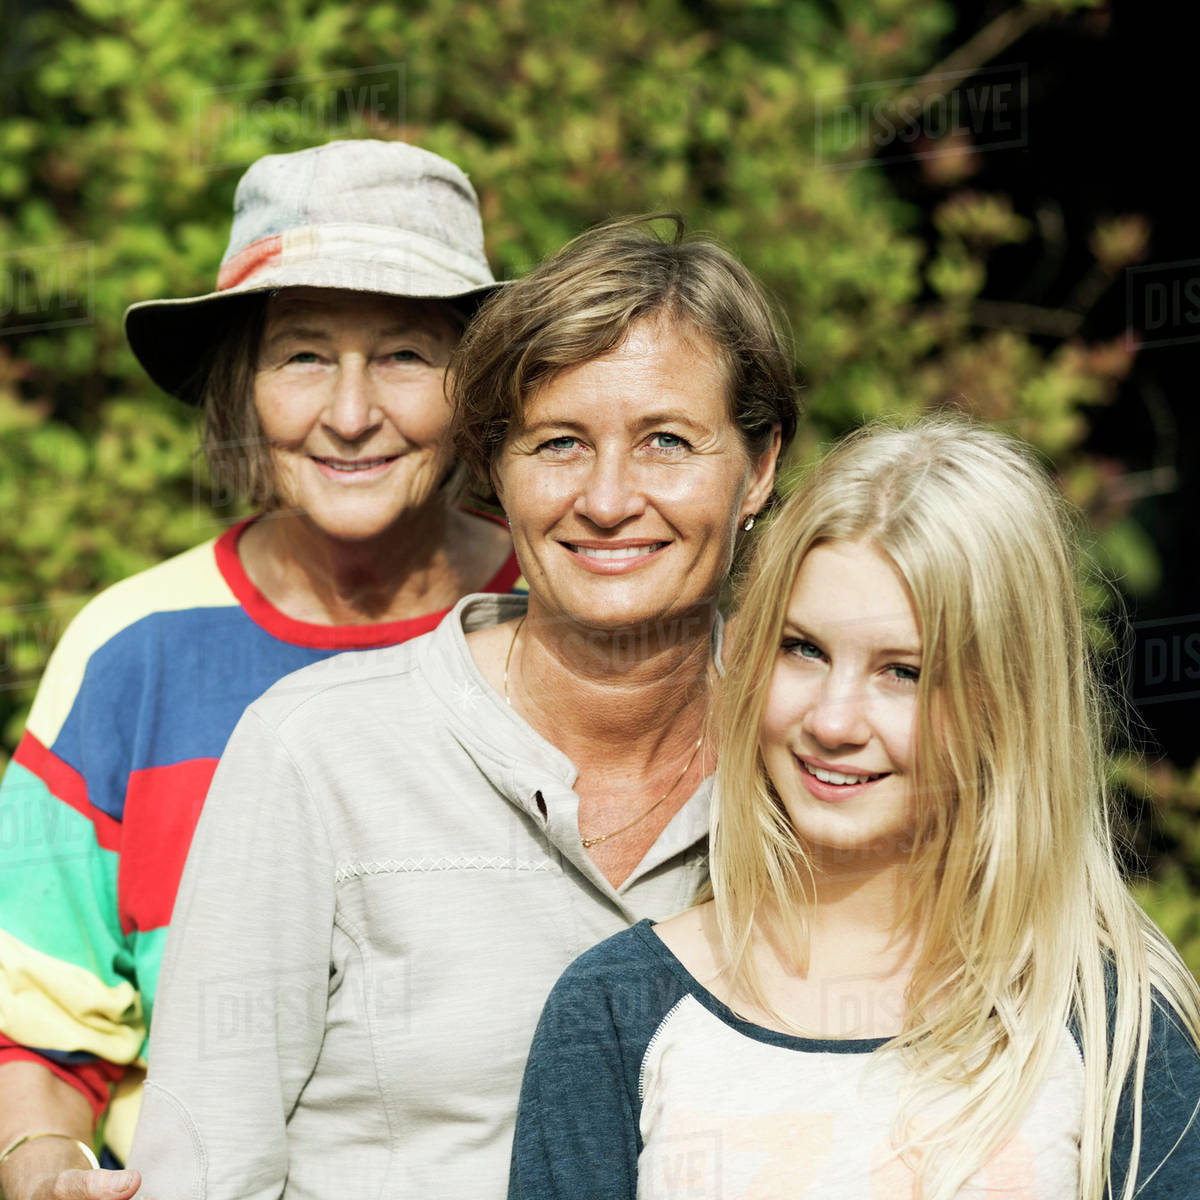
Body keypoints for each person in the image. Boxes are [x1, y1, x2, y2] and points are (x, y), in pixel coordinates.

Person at [123, 215, 798, 1199]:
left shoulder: (828, 754)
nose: (608, 499)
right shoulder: (314, 751)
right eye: (559, 443)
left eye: (666, 441)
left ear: (760, 466)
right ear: (497, 467)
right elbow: (205, 1165)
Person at [0, 138, 520, 1200]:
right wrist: (42, 1168)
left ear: (475, 380)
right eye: (303, 356)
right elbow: (35, 1037)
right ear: (242, 387)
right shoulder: (131, 652)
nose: (350, 412)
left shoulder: (564, 622)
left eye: (407, 354)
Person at [509, 416, 1200, 1200]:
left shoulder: (1114, 1023)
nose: (833, 722)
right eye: (803, 648)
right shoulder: (617, 1012)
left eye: (903, 671)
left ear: (1009, 704)